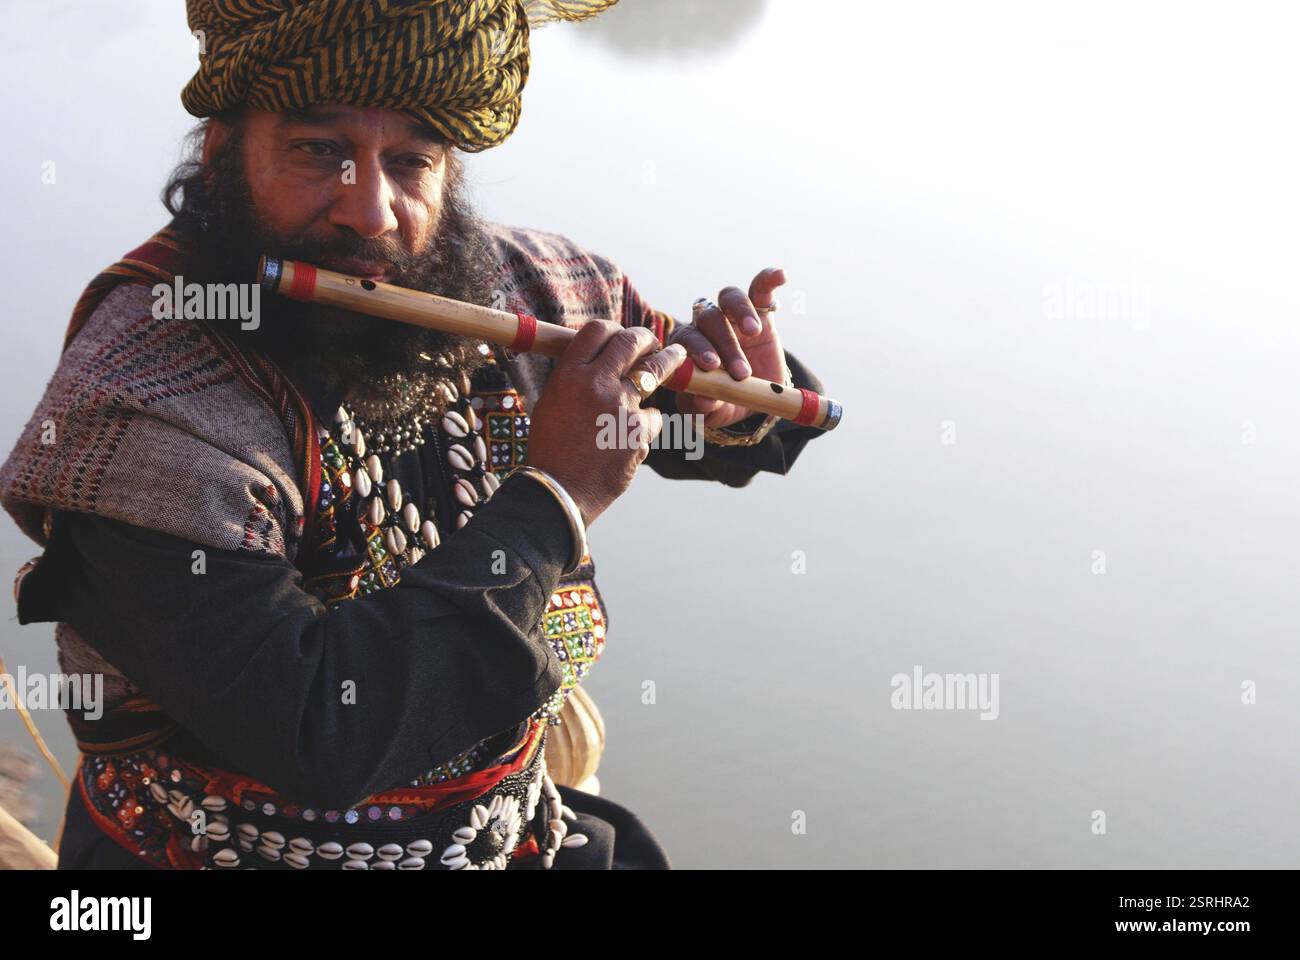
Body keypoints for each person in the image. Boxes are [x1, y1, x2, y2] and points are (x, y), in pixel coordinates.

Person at [0, 0, 828, 870]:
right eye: (319, 152)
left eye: (410, 162)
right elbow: (321, 732)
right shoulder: (139, 407)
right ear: (220, 152)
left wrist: (731, 408)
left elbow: (705, 424)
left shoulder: (527, 286)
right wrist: (556, 497)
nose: (370, 211)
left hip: (515, 835)